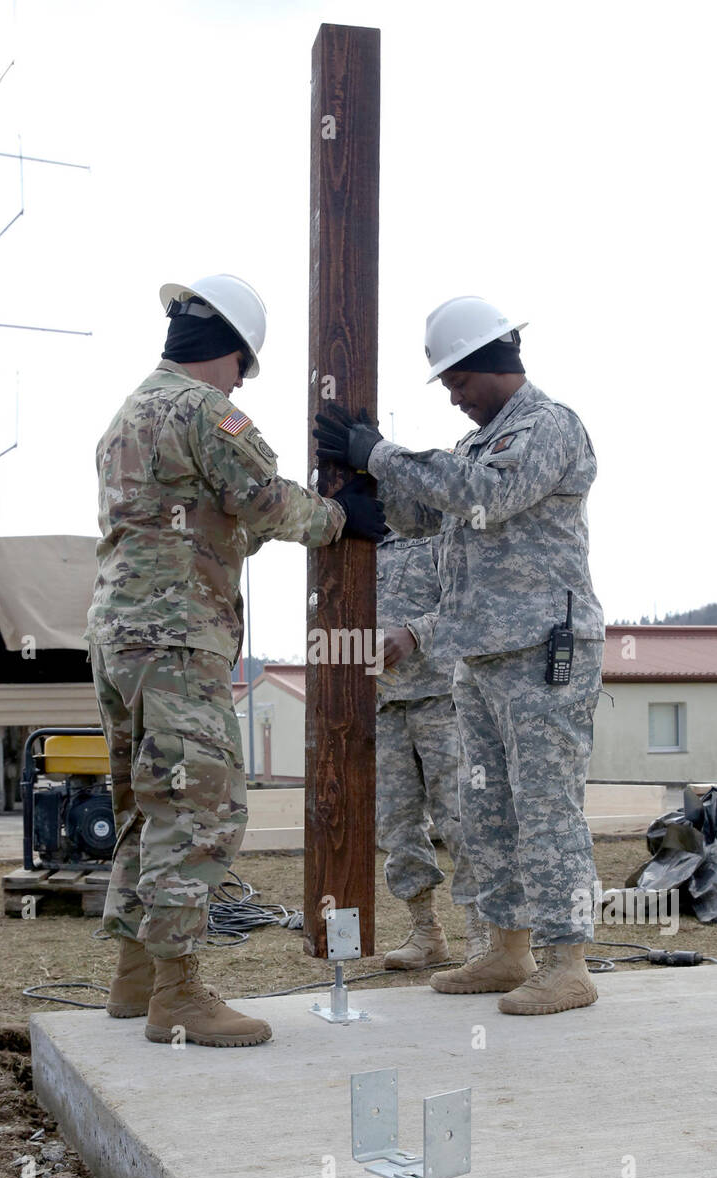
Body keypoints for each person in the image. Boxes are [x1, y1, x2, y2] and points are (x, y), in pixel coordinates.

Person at [86, 274, 385, 1047]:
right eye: (244, 369)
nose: (241, 381)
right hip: (180, 636)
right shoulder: (204, 410)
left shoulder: (127, 415)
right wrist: (342, 517)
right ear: (233, 354)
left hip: (119, 638)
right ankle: (179, 995)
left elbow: (201, 518)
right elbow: (264, 501)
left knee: (144, 804)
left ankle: (136, 978)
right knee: (199, 808)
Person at [314, 296, 605, 1016]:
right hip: (475, 656)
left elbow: (485, 496)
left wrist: (380, 453)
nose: (454, 396)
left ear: (489, 365)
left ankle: (568, 961)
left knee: (546, 805)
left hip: (542, 649)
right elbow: (426, 516)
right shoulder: (479, 442)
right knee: (489, 810)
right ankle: (507, 949)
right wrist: (372, 478)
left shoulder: (546, 426)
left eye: (457, 382)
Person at [376, 528, 487, 969]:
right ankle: (426, 932)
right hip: (382, 703)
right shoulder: (365, 544)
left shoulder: (445, 535)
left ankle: (482, 932)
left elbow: (470, 604)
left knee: (460, 818)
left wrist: (414, 633)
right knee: (396, 823)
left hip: (442, 697)